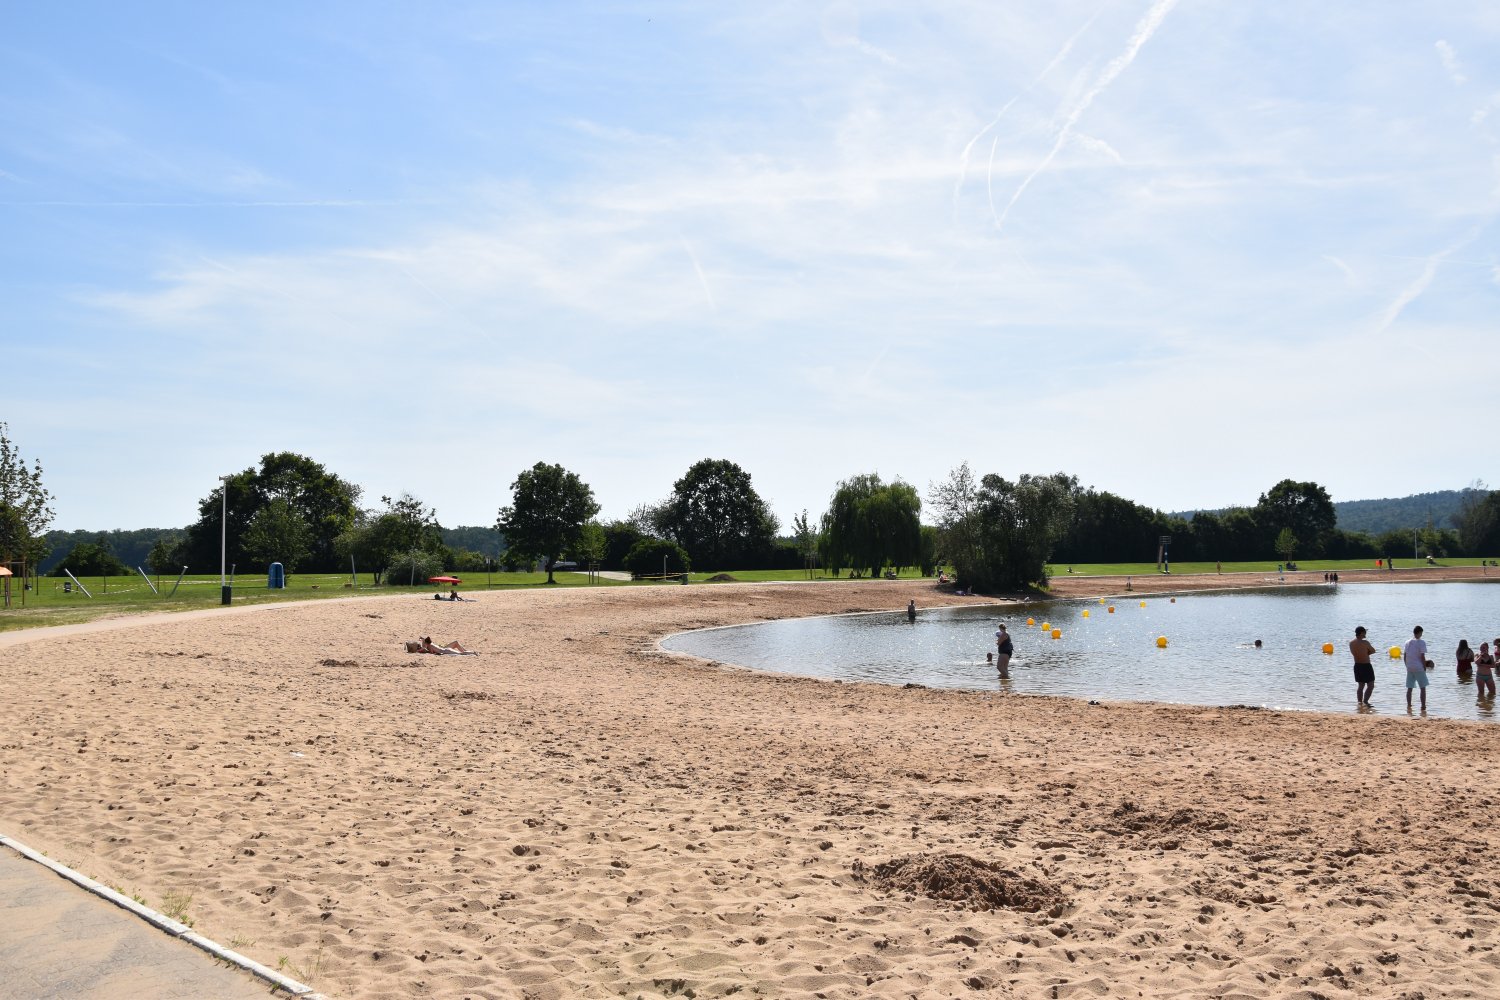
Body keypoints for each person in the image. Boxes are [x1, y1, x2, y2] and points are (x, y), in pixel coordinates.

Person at [1403, 625, 1429, 711]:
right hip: (1418, 667)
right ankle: (1423, 706)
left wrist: (1407, 665)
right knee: (1423, 688)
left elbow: (1405, 655)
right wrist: (1424, 666)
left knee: (1409, 688)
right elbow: (1422, 656)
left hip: (1410, 667)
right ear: (1420, 632)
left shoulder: (1407, 642)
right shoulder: (1421, 642)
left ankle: (1409, 705)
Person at [1349, 626, 1377, 706]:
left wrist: (1365, 653)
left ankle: (1359, 703)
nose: (1365, 634)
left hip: (1357, 665)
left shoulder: (1351, 643)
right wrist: (1367, 653)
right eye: (1365, 632)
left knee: (1361, 685)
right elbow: (1373, 651)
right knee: (1371, 685)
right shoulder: (1365, 642)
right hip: (1366, 665)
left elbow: (1355, 653)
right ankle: (1365, 701)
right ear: (1361, 633)